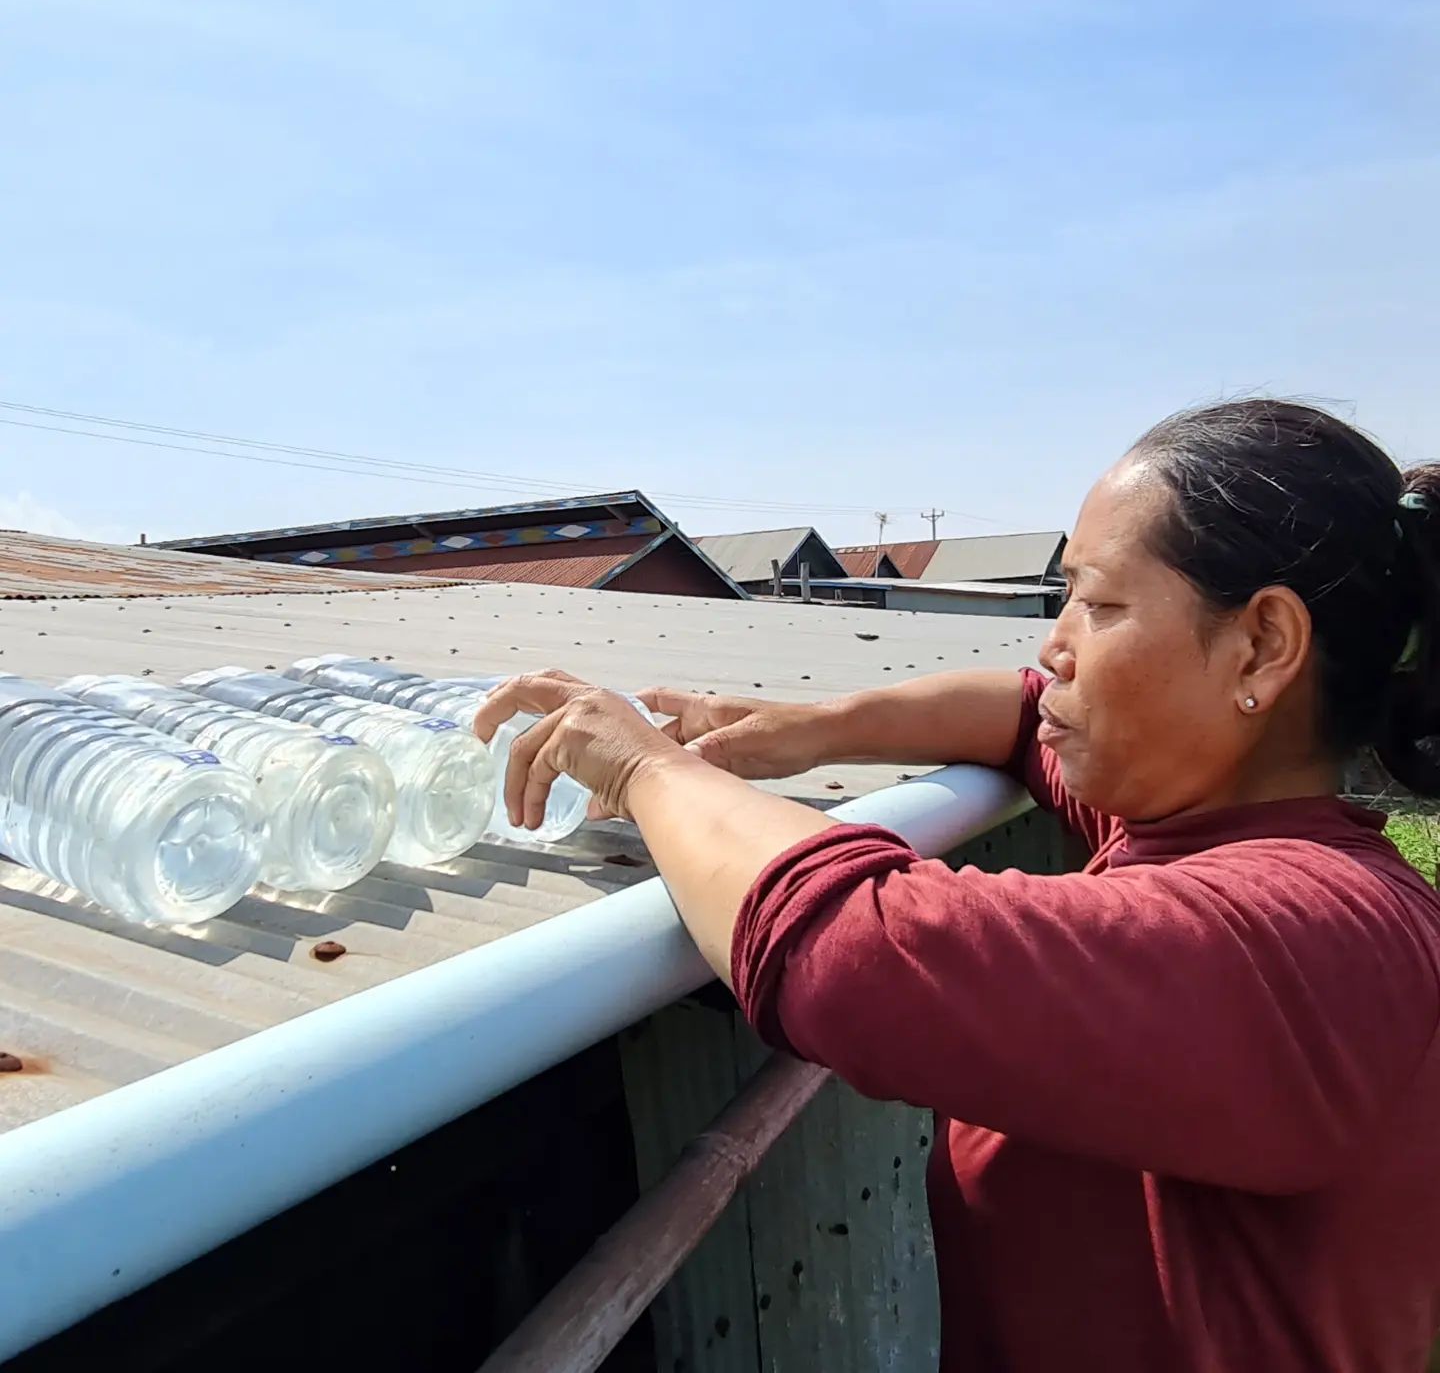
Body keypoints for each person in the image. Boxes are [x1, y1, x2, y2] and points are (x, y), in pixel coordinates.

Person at [473, 399, 1440, 1373]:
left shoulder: (1323, 941)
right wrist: (803, 729)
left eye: (1099, 605)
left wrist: (647, 769)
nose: (1054, 645)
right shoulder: (1187, 821)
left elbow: (849, 947)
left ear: (1262, 646)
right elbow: (1022, 717)